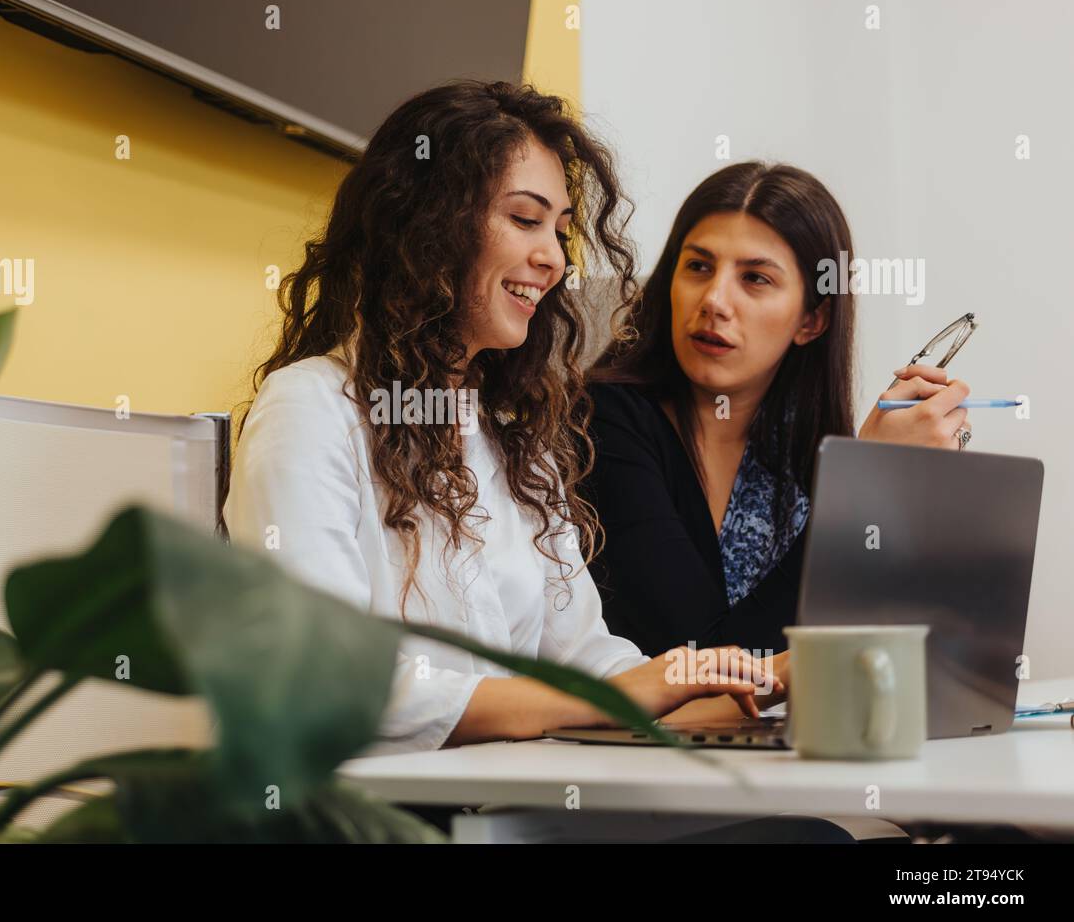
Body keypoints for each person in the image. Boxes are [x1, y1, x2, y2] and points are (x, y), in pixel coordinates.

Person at [224, 82, 781, 755]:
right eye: (525, 219)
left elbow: (589, 660)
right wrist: (606, 696)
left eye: (561, 230)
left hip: (520, 804)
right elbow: (326, 685)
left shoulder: (512, 440)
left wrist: (765, 687)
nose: (552, 257)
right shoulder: (310, 411)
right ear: (428, 225)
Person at [585, 162, 971, 657]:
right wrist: (862, 482)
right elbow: (699, 663)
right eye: (698, 267)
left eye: (755, 278)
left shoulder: (800, 446)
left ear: (811, 320)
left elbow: (897, 649)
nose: (715, 300)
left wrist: (905, 493)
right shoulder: (602, 421)